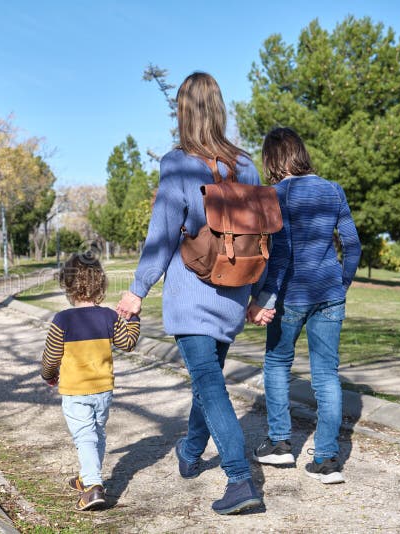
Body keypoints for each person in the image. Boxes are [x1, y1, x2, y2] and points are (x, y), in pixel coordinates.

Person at [115, 71, 264, 515]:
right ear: (219, 108)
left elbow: (161, 234)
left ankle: (240, 479)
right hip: (234, 292)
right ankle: (190, 451)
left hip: (193, 290)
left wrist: (137, 290)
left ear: (183, 111)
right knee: (209, 379)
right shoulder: (247, 164)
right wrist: (260, 294)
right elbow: (262, 237)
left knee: (209, 384)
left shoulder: (177, 162)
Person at [247, 127, 361, 484]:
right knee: (326, 374)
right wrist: (340, 285)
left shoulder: (276, 194)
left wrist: (263, 297)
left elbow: (280, 257)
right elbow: (353, 245)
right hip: (329, 294)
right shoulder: (333, 189)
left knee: (278, 362)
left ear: (273, 159)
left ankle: (280, 443)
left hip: (291, 297)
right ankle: (327, 461)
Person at [41, 251, 140, 511]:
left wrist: (48, 375)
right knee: (96, 433)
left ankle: (94, 487)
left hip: (76, 391)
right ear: (100, 283)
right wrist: (134, 318)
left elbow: (51, 357)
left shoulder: (62, 320)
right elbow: (128, 343)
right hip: (102, 390)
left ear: (67, 284)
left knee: (85, 436)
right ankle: (87, 476)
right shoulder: (108, 316)